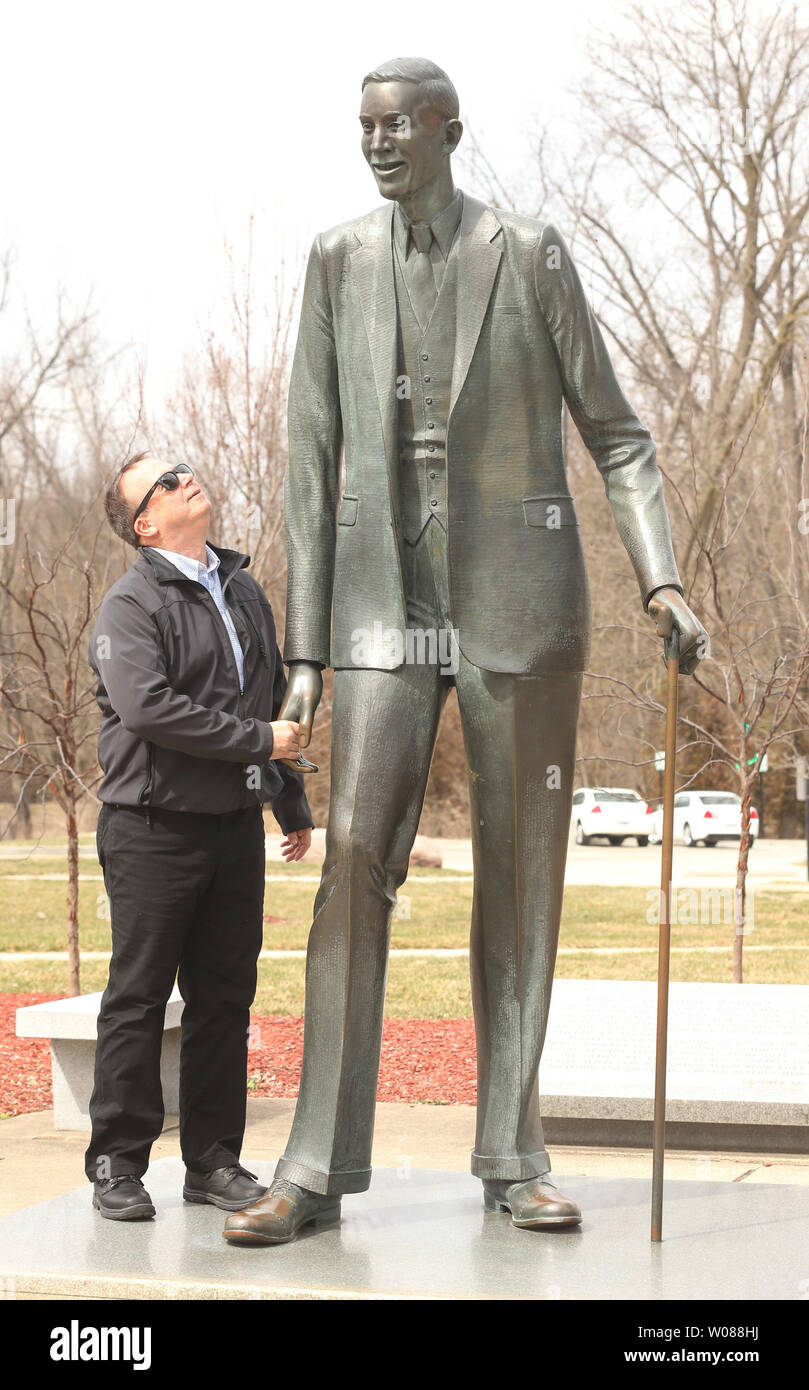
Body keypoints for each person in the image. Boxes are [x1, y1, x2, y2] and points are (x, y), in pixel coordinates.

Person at [223, 57, 707, 1246]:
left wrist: (662, 576)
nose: (378, 144)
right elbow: (307, 454)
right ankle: (316, 1167)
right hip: (387, 605)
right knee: (348, 867)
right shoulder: (338, 260)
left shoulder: (527, 251)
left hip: (520, 606)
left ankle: (512, 1157)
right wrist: (309, 646)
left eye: (399, 126)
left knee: (520, 883)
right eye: (364, 127)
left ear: (449, 132)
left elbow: (619, 435)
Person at [85, 451, 313, 1220]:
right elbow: (149, 710)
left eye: (184, 467)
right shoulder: (129, 604)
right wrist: (261, 743)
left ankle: (212, 1162)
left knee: (223, 999)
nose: (189, 477)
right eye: (168, 478)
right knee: (139, 999)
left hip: (232, 831)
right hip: (150, 829)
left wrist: (290, 801)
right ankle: (117, 1163)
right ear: (145, 522)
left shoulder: (243, 589)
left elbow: (270, 700)